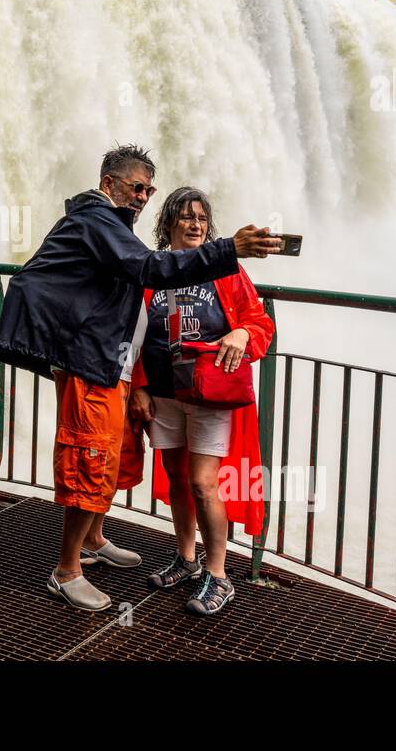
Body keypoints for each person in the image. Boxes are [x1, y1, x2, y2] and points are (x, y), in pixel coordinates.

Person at [0, 145, 281, 612]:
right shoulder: (100, 224)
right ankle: (66, 571)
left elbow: (255, 322)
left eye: (149, 188)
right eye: (136, 187)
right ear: (109, 184)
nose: (143, 195)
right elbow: (148, 273)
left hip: (144, 378)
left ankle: (101, 542)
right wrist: (228, 249)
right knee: (91, 458)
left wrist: (243, 331)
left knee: (117, 462)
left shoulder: (118, 234)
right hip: (104, 370)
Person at [130, 187, 274, 616]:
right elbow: (131, 333)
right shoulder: (152, 270)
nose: (195, 224)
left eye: (201, 218)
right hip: (162, 390)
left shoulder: (226, 271)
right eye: (185, 217)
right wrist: (137, 385)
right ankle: (186, 558)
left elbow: (259, 321)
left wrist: (242, 333)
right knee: (176, 477)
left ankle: (220, 574)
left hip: (211, 391)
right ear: (169, 223)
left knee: (202, 482)